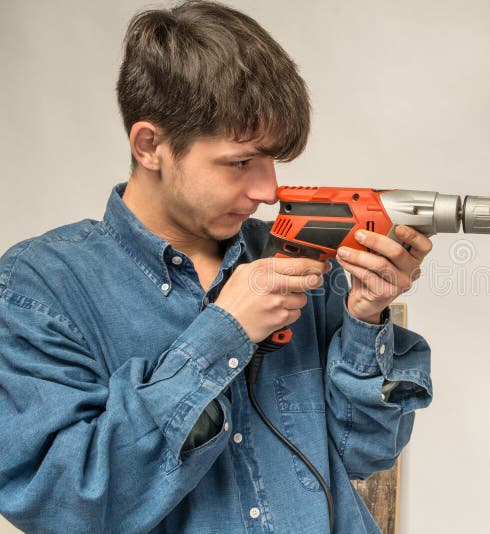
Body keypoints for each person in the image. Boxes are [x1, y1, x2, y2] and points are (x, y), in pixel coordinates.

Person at [0, 2, 433, 533]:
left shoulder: (296, 262)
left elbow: (364, 455)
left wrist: (365, 318)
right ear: (150, 145)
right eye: (240, 162)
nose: (267, 190)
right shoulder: (39, 287)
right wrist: (222, 334)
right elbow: (67, 503)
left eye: (273, 160)